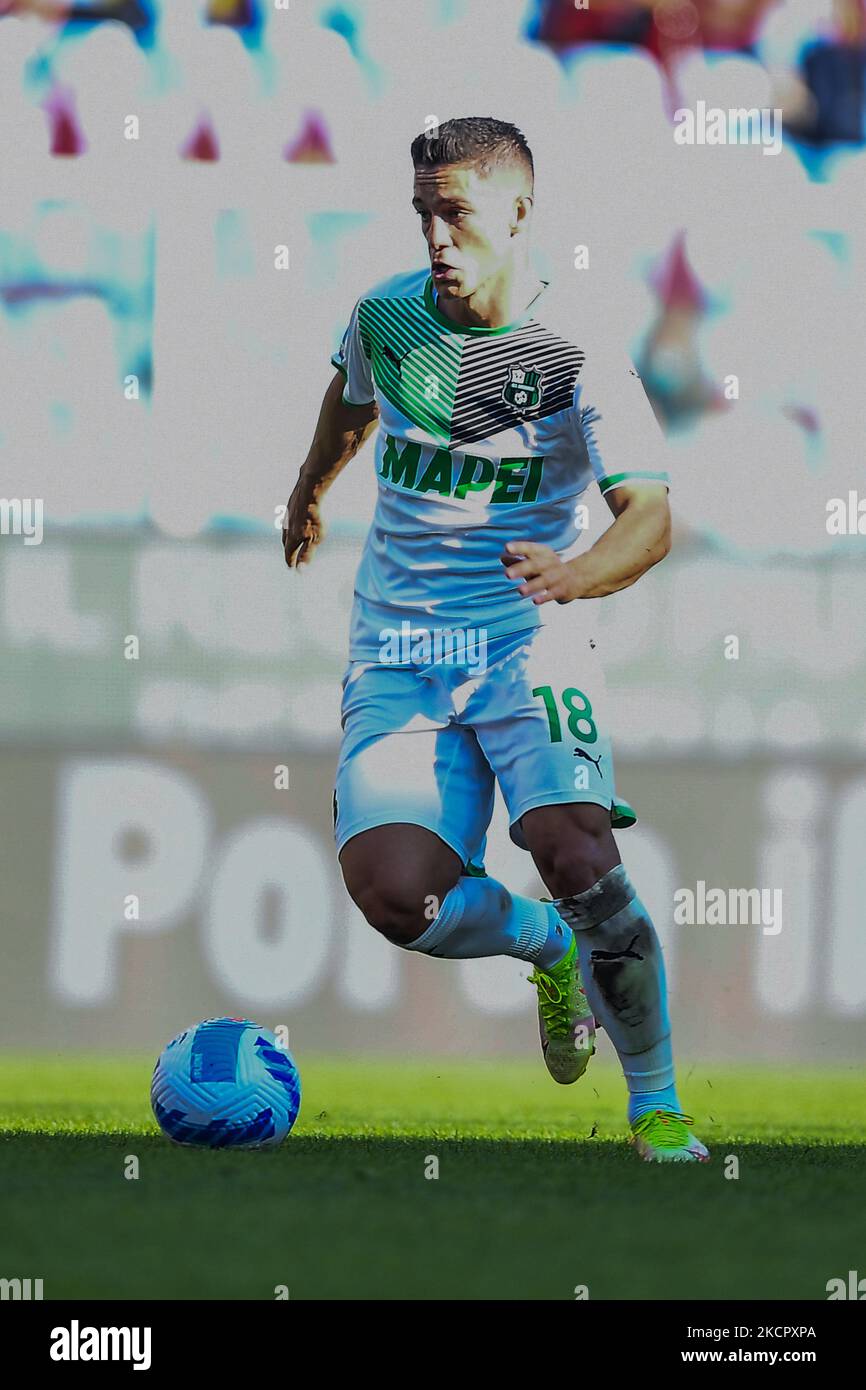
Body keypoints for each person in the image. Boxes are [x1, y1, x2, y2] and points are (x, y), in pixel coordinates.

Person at [283, 116, 708, 1162]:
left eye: (456, 213)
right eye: (423, 212)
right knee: (394, 893)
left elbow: (648, 517)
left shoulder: (572, 356)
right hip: (400, 649)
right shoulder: (385, 317)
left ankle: (654, 1104)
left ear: (518, 214)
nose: (435, 235)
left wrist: (575, 574)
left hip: (529, 641)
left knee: (575, 849)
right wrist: (307, 489)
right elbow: (351, 400)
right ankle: (544, 946)